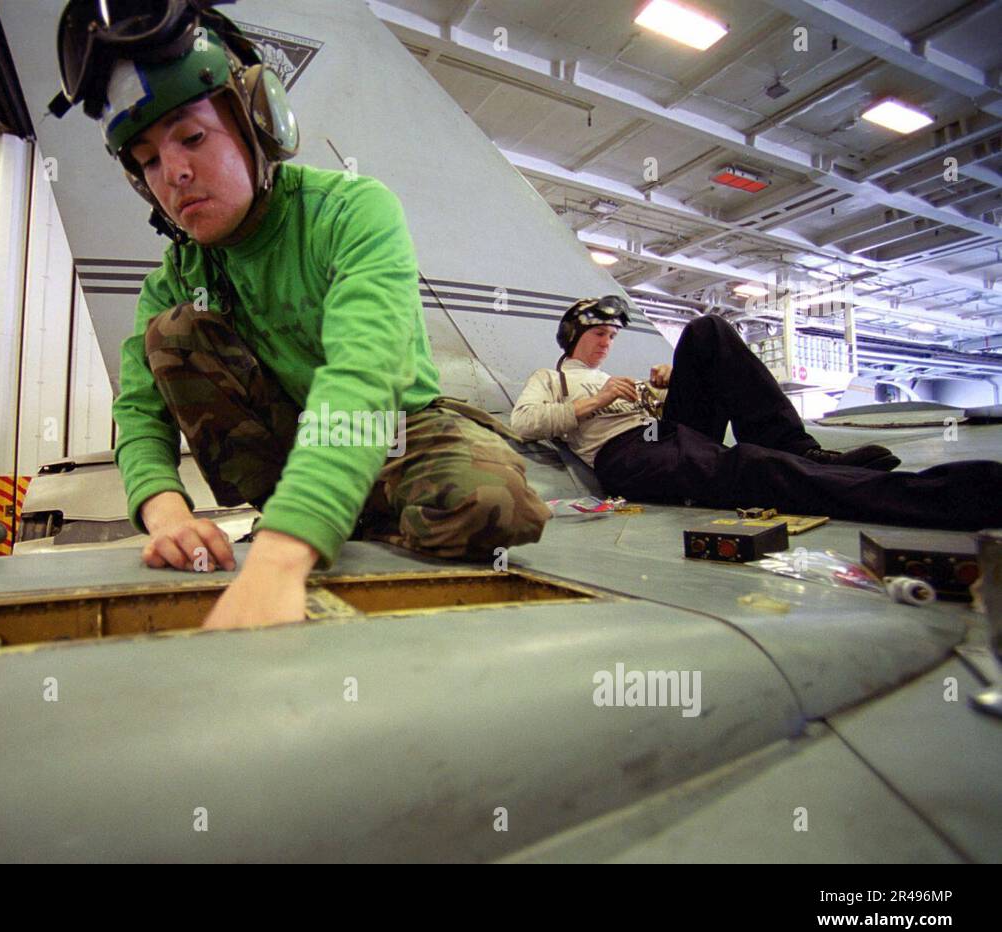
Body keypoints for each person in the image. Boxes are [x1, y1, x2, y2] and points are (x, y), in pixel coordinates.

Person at [50, 2, 549, 630]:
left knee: (495, 506)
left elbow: (367, 372)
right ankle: (318, 510)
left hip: (395, 431)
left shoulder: (351, 211)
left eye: (193, 136)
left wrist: (281, 558)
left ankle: (316, 515)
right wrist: (166, 512)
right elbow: (141, 410)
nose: (172, 174)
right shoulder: (175, 278)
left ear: (259, 121)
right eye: (147, 160)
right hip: (287, 453)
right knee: (173, 332)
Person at [510, 297, 1002, 531]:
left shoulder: (616, 378)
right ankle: (949, 497)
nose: (607, 343)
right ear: (573, 336)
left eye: (613, 337)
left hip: (662, 431)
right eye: (599, 335)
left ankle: (801, 447)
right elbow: (525, 422)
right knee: (750, 467)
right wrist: (593, 402)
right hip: (628, 458)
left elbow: (666, 407)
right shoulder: (550, 378)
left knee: (707, 332)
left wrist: (669, 385)